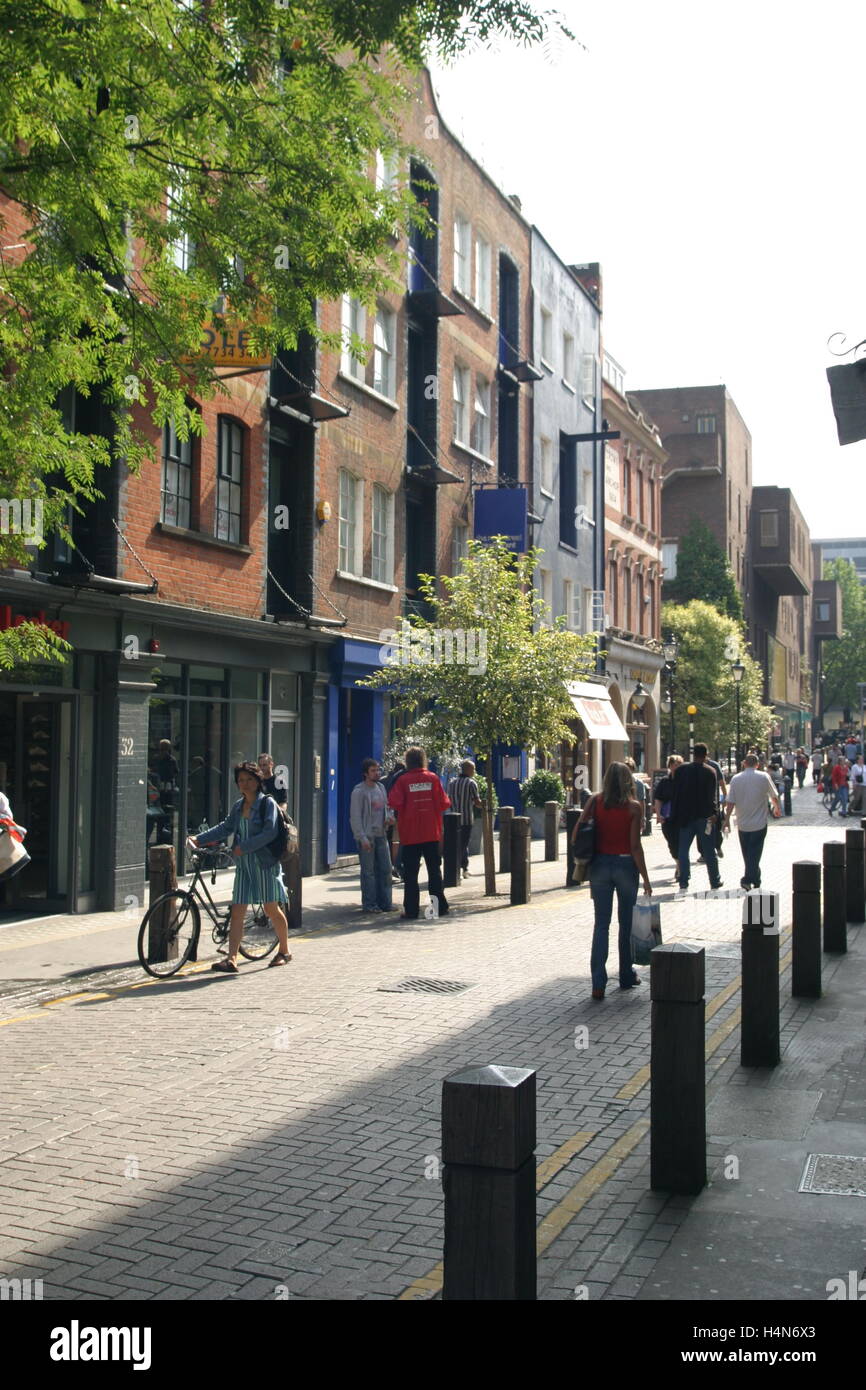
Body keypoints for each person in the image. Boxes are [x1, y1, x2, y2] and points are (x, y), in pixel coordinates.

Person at [188, 761, 292, 972]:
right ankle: (232, 958)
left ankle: (284, 950)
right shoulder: (238, 806)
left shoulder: (267, 804)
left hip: (264, 864)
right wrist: (199, 839)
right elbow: (225, 828)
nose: (245, 784)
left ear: (258, 781)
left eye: (249, 779)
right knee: (237, 911)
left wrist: (243, 847)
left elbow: (269, 832)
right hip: (244, 866)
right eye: (241, 780)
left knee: (271, 909)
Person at [574, 761, 651, 1000]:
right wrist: (646, 879)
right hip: (626, 866)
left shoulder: (594, 802)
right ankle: (626, 975)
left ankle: (598, 983)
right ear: (629, 781)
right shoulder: (634, 808)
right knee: (625, 924)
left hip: (599, 867)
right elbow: (635, 847)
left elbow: (576, 834)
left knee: (601, 925)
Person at [387, 746, 450, 921]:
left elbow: (394, 802)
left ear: (408, 761)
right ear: (423, 760)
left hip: (411, 834)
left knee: (411, 875)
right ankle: (438, 908)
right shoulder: (433, 778)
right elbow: (444, 803)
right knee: (434, 872)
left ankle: (411, 911)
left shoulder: (403, 781)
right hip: (431, 833)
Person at [723, 753, 782, 890]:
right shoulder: (763, 776)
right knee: (755, 853)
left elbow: (730, 802)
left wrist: (726, 820)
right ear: (757, 764)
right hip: (759, 823)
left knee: (748, 853)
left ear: (744, 763)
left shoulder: (736, 779)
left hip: (743, 823)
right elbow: (774, 796)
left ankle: (754, 879)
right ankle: (750, 879)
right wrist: (777, 808)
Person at [669, 743, 723, 892]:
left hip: (686, 816)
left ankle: (684, 880)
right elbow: (713, 796)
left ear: (693, 754)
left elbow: (676, 793)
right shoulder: (710, 771)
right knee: (709, 850)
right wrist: (715, 813)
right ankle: (714, 880)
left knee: (683, 849)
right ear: (706, 755)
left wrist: (676, 813)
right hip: (704, 816)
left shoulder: (681, 771)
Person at [349, 758, 393, 914]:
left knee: (386, 870)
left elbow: (387, 807)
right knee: (369, 873)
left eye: (378, 770)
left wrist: (389, 817)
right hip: (367, 836)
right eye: (373, 770)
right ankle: (370, 904)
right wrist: (362, 838)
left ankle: (386, 903)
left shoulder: (381, 787)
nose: (377, 773)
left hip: (381, 834)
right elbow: (355, 817)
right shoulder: (359, 791)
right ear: (365, 774)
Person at [447, 760, 483, 880]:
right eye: (473, 769)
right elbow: (477, 802)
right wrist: (485, 805)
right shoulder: (471, 783)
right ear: (468, 770)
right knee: (463, 844)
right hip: (466, 819)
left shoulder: (452, 783)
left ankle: (462, 867)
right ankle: (462, 868)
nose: (474, 771)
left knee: (456, 844)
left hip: (452, 819)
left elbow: (448, 800)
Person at [652, 755, 683, 878]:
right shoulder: (664, 781)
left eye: (678, 765)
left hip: (682, 819)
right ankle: (678, 863)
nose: (676, 767)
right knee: (672, 844)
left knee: (682, 844)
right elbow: (658, 799)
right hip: (668, 819)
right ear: (669, 766)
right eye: (674, 764)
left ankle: (680, 868)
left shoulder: (686, 781)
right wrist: (658, 815)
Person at [382, 761, 407, 882]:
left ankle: (389, 867)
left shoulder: (382, 780)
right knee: (399, 841)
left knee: (386, 841)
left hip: (384, 815)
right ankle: (396, 866)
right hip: (396, 815)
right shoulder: (399, 779)